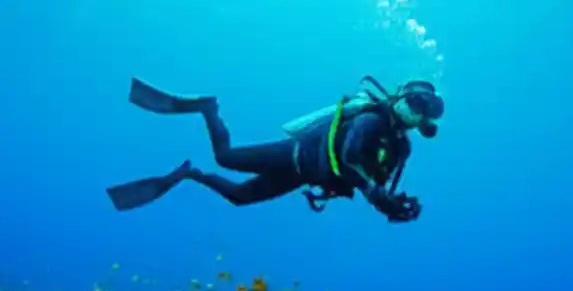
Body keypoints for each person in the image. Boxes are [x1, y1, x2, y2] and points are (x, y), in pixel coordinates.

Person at [106, 75, 443, 223]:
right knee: (225, 157)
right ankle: (208, 108)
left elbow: (375, 182)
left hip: (301, 177)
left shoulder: (401, 147)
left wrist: (392, 205)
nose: (417, 112)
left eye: (428, 109)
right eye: (414, 102)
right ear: (399, 97)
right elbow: (351, 157)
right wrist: (373, 192)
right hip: (292, 155)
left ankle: (190, 173)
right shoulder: (371, 120)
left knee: (239, 198)